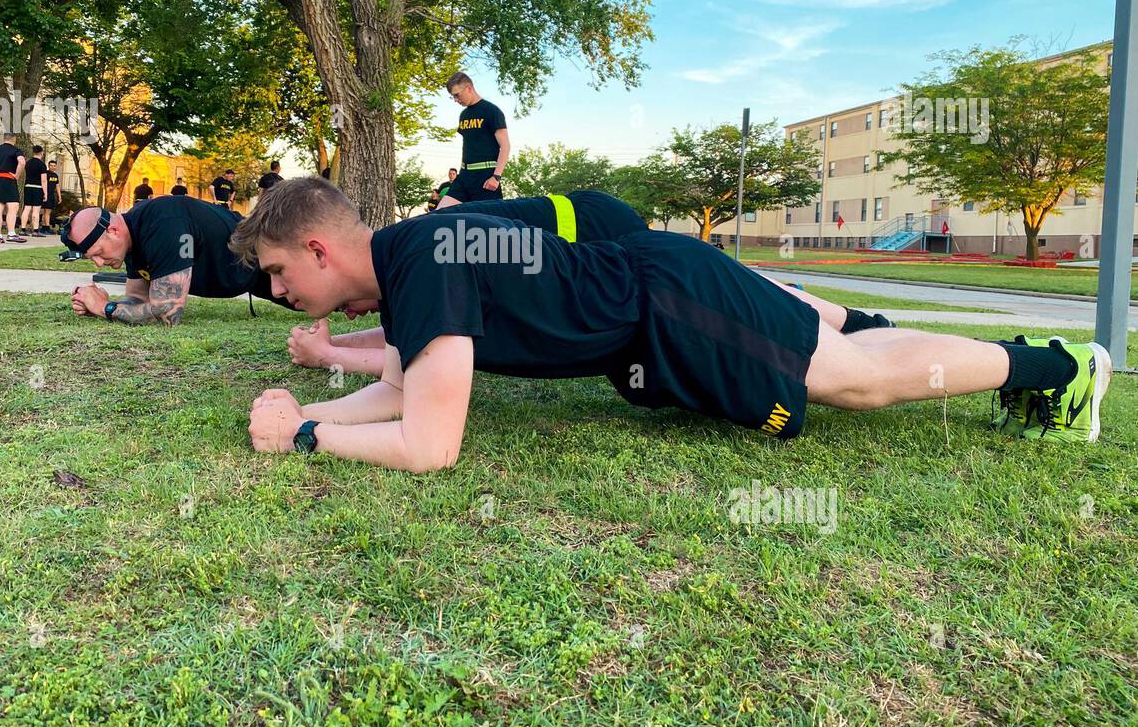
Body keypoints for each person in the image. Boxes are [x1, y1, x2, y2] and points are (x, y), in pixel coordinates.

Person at [232, 179, 1111, 472]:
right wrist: (306, 411)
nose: (281, 291)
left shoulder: (418, 255)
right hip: (654, 314)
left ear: (316, 248)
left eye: (277, 273)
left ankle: (1059, 368)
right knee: (846, 363)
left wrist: (304, 438)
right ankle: (1045, 367)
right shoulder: (411, 257)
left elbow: (431, 445)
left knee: (858, 382)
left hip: (669, 302)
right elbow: (400, 388)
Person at [286, 190, 895, 377]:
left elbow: (418, 341)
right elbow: (409, 339)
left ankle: (851, 321)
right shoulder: (413, 251)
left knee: (743, 291)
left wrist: (331, 354)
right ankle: (855, 326)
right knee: (742, 290)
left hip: (599, 233)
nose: (355, 317)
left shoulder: (423, 250)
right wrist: (334, 352)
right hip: (603, 251)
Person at [61, 196, 292, 325]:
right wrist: (101, 303)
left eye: (99, 253)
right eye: (93, 258)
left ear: (113, 230)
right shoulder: (131, 237)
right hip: (248, 277)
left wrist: (106, 308)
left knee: (326, 300)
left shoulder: (164, 223)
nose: (99, 264)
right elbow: (140, 298)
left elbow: (168, 313)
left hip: (270, 259)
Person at [437, 72, 508, 207]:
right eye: (453, 97)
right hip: (464, 176)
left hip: (486, 178)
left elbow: (505, 146)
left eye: (457, 95)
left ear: (469, 88)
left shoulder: (492, 111)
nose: (456, 100)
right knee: (439, 213)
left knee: (487, 224)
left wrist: (496, 177)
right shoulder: (463, 115)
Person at [18, 144, 49, 237]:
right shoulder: (42, 165)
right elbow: (43, 180)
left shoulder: (28, 163)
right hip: (37, 188)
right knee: (36, 210)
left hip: (28, 187)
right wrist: (45, 193)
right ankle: (35, 230)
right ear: (41, 153)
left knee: (27, 208)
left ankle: (23, 229)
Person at [42, 159, 61, 234]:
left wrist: (59, 196)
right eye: (51, 166)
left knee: (46, 212)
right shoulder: (46, 174)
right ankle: (46, 227)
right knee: (46, 212)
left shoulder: (55, 175)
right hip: (45, 194)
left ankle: (44, 228)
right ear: (48, 166)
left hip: (51, 195)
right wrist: (44, 194)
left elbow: (57, 186)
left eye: (54, 166)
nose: (53, 167)